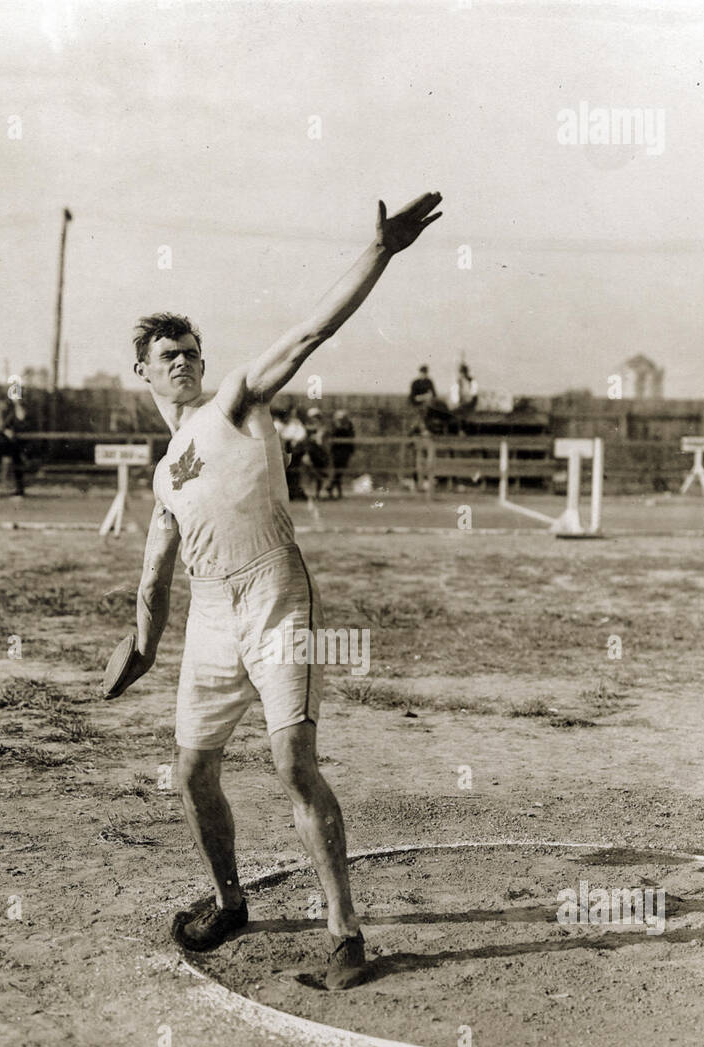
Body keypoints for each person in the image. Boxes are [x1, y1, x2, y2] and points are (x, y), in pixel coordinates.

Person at [112, 191, 443, 989]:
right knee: (192, 772)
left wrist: (382, 253)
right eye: (169, 355)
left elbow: (310, 331)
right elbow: (158, 565)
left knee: (293, 762)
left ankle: (344, 934)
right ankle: (231, 905)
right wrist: (143, 644)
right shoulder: (163, 471)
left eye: (191, 348)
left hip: (275, 594)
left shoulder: (235, 400)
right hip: (212, 615)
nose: (184, 360)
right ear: (144, 372)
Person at [328, 409, 356, 498]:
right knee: (338, 471)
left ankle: (332, 488)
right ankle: (334, 489)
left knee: (340, 471)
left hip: (345, 452)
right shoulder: (335, 427)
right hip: (337, 452)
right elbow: (333, 437)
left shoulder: (349, 426)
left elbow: (351, 436)